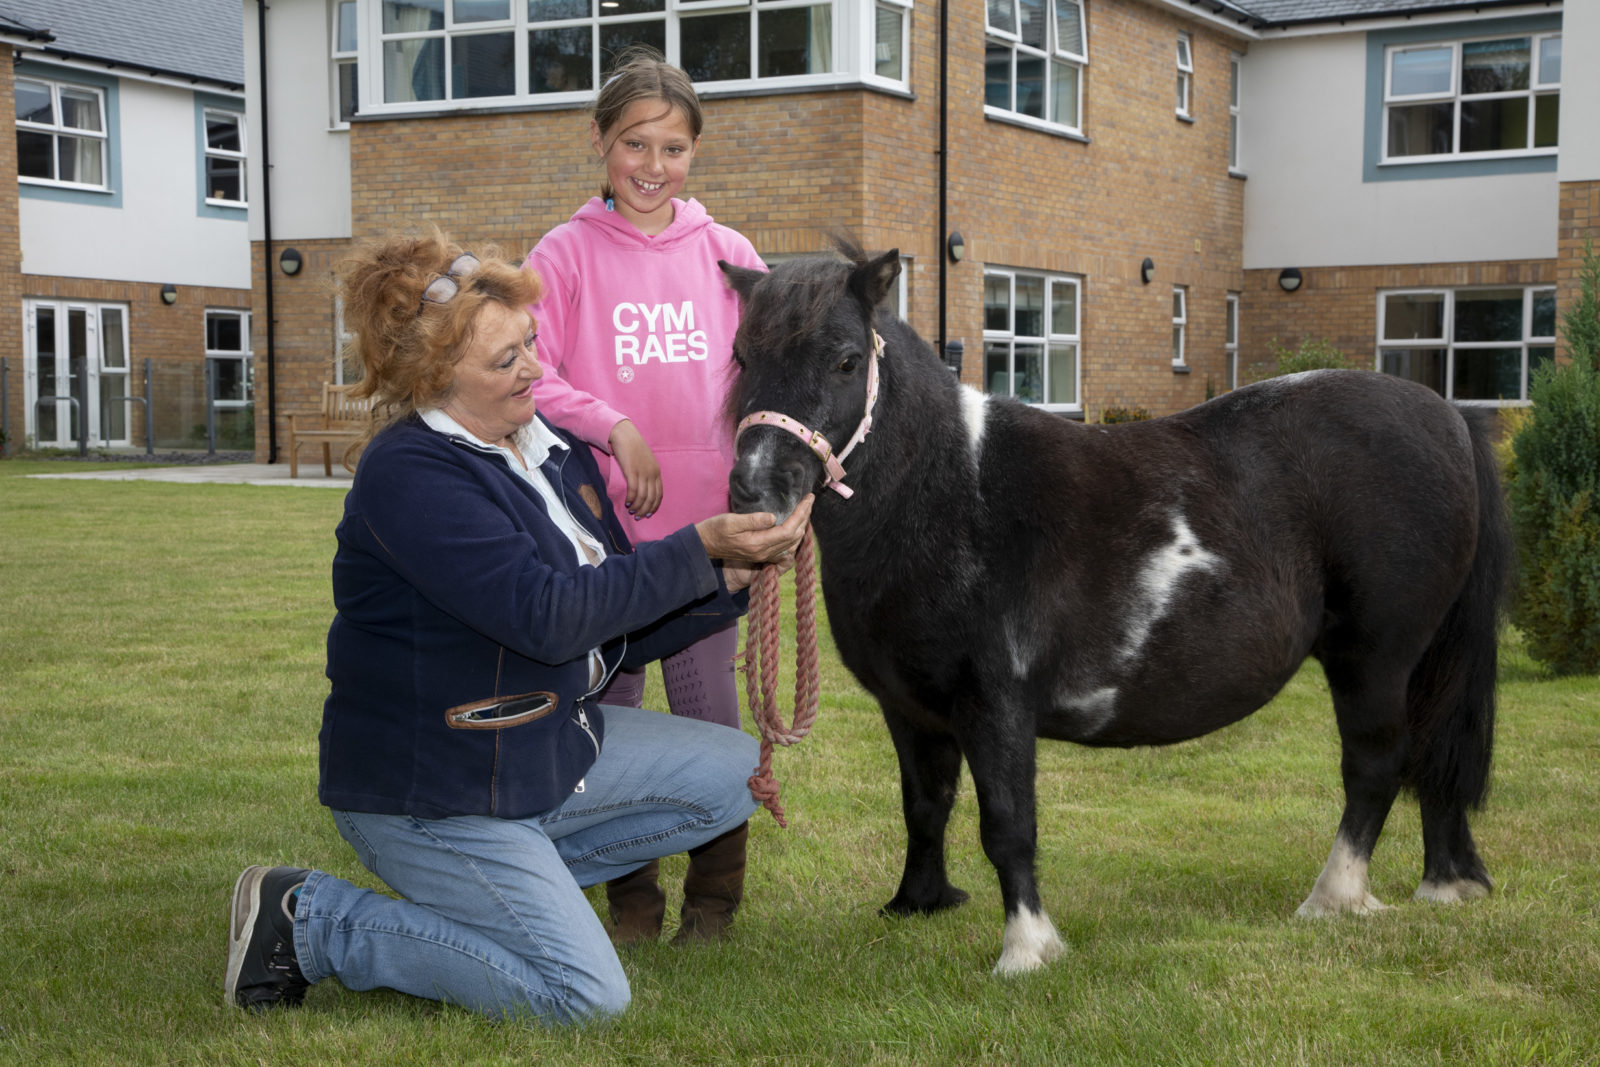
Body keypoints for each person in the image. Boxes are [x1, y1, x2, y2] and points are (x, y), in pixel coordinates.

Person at [224, 231, 812, 1026]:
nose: (536, 369)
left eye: (529, 344)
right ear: (434, 377)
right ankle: (313, 920)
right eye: (505, 361)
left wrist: (728, 581)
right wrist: (698, 545)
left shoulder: (552, 449)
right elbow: (548, 615)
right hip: (433, 791)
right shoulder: (410, 474)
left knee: (731, 775)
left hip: (536, 755)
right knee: (586, 998)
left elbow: (605, 627)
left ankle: (506, 891)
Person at [523, 46, 767, 944]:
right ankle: (631, 899)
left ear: (694, 152)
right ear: (599, 141)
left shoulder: (730, 254)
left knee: (712, 725)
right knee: (611, 734)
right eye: (635, 144)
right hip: (605, 547)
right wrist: (614, 426)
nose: (653, 166)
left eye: (673, 148)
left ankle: (715, 902)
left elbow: (776, 371)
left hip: (711, 541)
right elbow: (528, 371)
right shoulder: (564, 254)